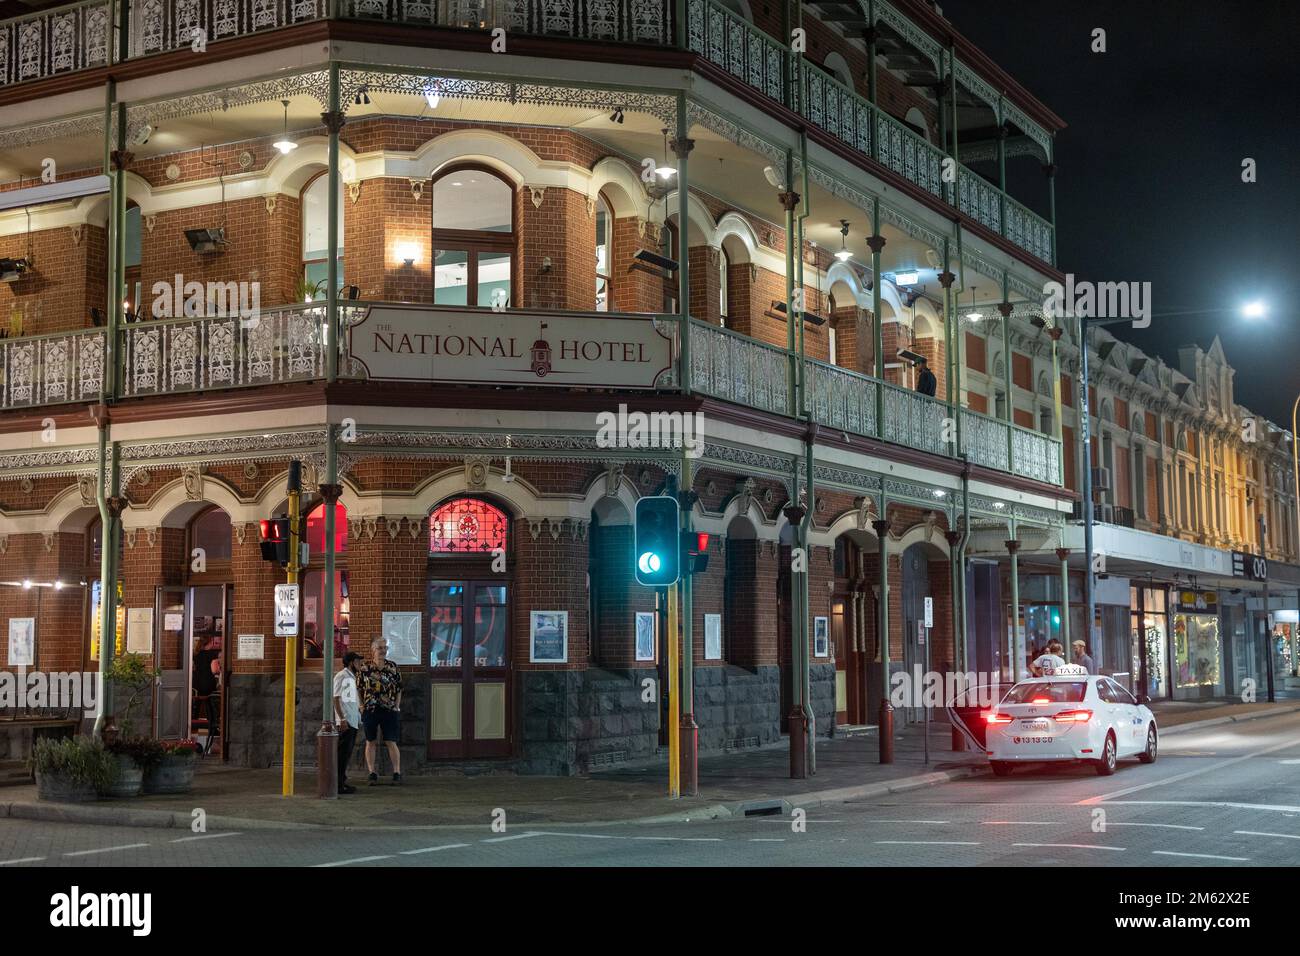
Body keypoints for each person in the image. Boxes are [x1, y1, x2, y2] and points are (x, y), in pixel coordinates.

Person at [358, 636, 403, 785]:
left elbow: (399, 688)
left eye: (385, 648)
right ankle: (372, 772)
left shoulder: (393, 667)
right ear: (373, 650)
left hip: (389, 710)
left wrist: (397, 706)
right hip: (370, 709)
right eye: (380, 648)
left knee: (391, 741)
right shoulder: (364, 668)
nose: (383, 651)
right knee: (370, 741)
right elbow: (359, 688)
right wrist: (361, 705)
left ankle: (397, 772)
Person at [332, 651, 363, 794]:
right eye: (358, 661)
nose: (360, 664)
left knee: (346, 753)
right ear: (351, 662)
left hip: (352, 719)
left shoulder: (351, 677)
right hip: (346, 721)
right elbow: (336, 698)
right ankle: (338, 785)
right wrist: (342, 719)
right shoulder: (342, 676)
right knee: (342, 754)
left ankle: (342, 781)